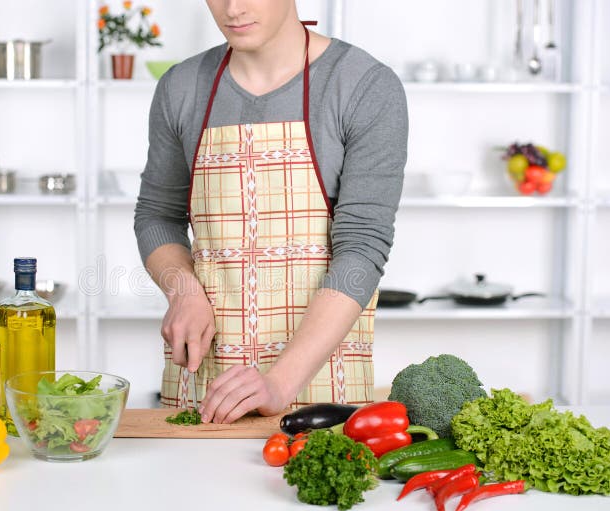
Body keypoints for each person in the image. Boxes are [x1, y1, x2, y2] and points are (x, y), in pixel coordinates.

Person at [134, 0, 408, 424]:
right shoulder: (181, 87)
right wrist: (182, 288)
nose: (233, 8)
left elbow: (362, 248)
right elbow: (157, 215)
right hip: (205, 386)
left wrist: (279, 383)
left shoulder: (362, 86)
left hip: (320, 392)